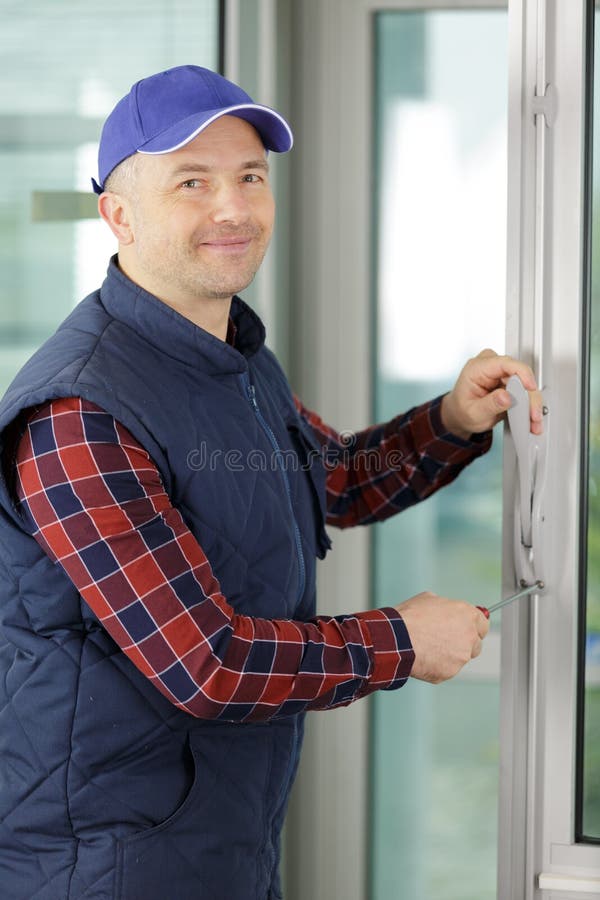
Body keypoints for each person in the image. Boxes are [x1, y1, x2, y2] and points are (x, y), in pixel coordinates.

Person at [0, 65, 542, 900]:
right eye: (193, 182)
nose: (235, 208)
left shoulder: (231, 358)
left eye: (250, 176)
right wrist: (402, 640)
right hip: (105, 868)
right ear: (118, 213)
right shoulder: (80, 411)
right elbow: (205, 662)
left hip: (219, 842)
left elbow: (339, 478)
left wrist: (454, 420)